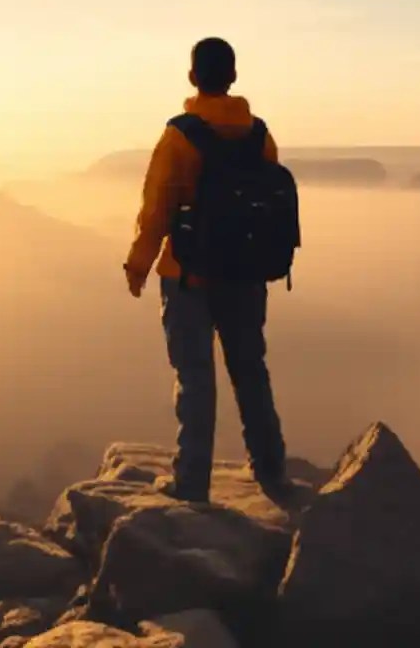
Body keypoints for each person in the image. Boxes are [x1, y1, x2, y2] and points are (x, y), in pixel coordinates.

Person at [122, 37, 292, 504]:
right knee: (250, 370)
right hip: (246, 273)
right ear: (233, 76)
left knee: (195, 377)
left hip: (189, 274)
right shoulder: (259, 134)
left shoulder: (180, 135)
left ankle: (191, 484)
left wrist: (139, 264)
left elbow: (157, 208)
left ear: (193, 76)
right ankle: (272, 470)